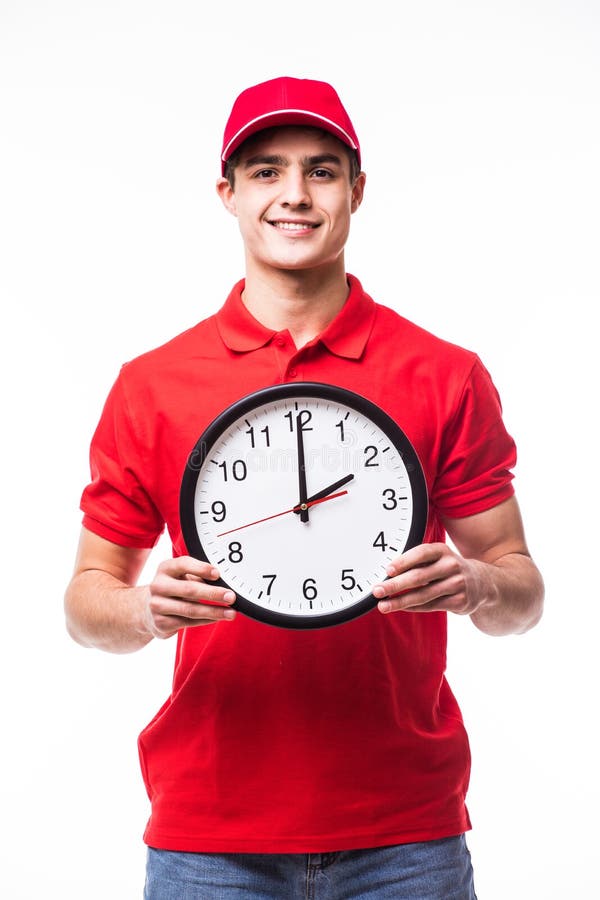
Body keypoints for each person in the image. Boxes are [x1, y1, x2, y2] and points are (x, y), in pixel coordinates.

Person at [64, 76, 544, 899]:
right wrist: (143, 609)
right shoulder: (152, 385)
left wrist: (475, 583)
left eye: (322, 171)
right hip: (210, 838)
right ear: (228, 193)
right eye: (266, 171)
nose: (295, 194)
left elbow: (521, 586)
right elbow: (85, 599)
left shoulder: (445, 375)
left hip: (407, 834)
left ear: (357, 191)